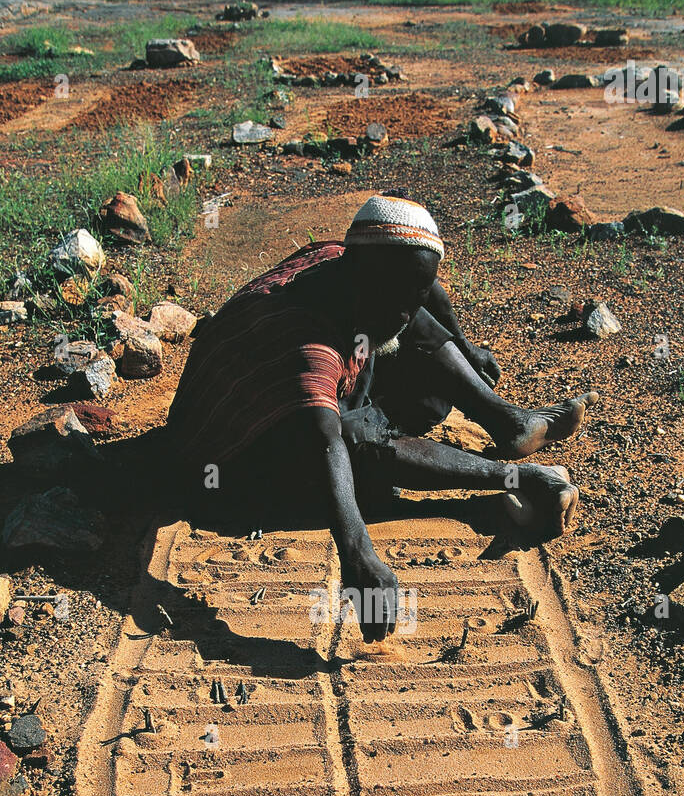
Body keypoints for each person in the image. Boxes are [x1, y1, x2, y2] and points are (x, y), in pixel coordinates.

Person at [157, 195, 596, 640]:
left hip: (317, 390)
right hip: (235, 460)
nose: (403, 311)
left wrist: (465, 350)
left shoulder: (344, 262)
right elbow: (326, 441)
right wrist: (358, 556)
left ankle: (508, 422)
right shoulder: (305, 346)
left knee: (408, 337)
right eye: (393, 297)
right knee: (356, 439)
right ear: (359, 274)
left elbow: (425, 295)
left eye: (415, 293)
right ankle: (509, 479)